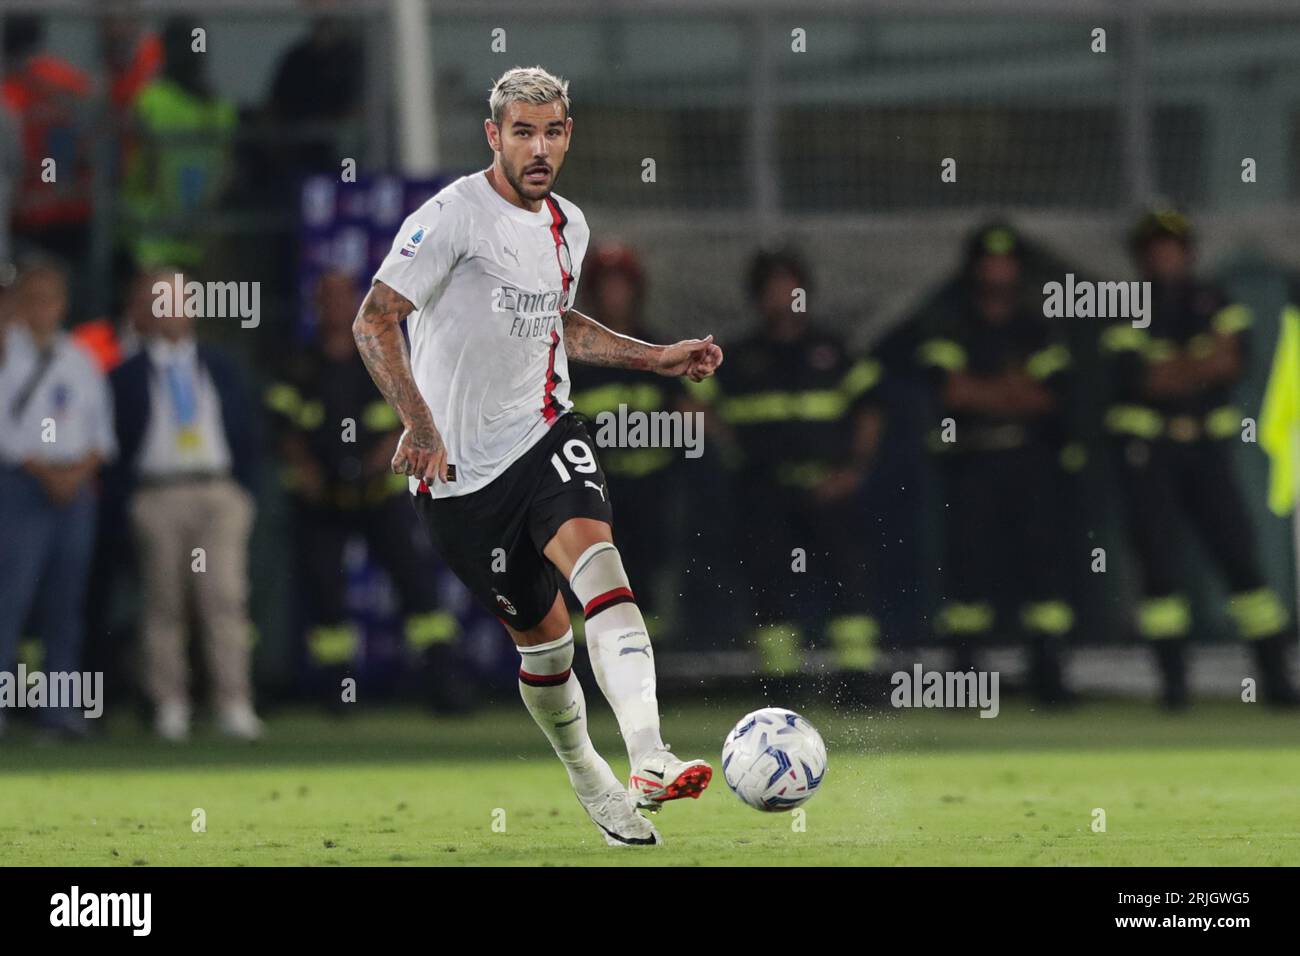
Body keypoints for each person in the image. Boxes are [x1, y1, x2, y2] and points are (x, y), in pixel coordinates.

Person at [353, 66, 722, 846]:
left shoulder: (570, 226)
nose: (539, 147)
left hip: (546, 434)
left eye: (552, 131)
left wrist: (655, 358)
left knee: (603, 573)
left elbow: (560, 324)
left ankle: (650, 755)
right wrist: (418, 423)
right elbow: (373, 320)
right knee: (546, 645)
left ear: (567, 134)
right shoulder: (452, 215)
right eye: (523, 131)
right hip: (458, 481)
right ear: (494, 135)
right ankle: (589, 772)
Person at [1102, 210, 1298, 708]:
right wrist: (1201, 361)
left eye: (1172, 246)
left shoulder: (1216, 298)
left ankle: (1275, 681)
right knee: (1160, 569)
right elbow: (1142, 380)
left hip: (1208, 453)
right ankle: (1173, 687)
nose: (1164, 255)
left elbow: (1232, 363)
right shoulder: (1126, 307)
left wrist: (1175, 364)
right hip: (1149, 454)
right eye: (1154, 247)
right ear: (1141, 255)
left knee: (1240, 561)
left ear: (1187, 251)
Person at [266, 270, 471, 707]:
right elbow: (282, 427)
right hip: (322, 498)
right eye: (328, 298)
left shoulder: (381, 356)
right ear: (316, 306)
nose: (336, 307)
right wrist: (303, 467)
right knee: (325, 596)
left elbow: (412, 412)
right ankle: (337, 692)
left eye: (344, 298)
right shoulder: (299, 363)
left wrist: (383, 457)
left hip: (379, 492)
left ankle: (443, 683)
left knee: (418, 588)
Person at [694, 245, 884, 679]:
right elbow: (691, 402)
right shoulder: (737, 356)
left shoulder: (833, 350)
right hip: (763, 488)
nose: (782, 295)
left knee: (848, 576)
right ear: (758, 295)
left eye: (790, 285)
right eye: (773, 287)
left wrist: (853, 470)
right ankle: (781, 681)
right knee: (769, 583)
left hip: (828, 485)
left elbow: (870, 409)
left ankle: (857, 676)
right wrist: (733, 444)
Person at [915, 223, 1076, 703]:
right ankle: (965, 683)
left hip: (1029, 461)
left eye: (1006, 261)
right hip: (970, 461)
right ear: (974, 267)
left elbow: (1050, 398)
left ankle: (1049, 678)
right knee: (967, 570)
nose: (998, 270)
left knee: (1041, 567)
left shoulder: (1037, 325)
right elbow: (950, 390)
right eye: (989, 260)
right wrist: (1012, 390)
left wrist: (986, 391)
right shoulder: (950, 322)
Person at [105, 270, 263, 740]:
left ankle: (234, 703)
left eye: (176, 300)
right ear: (138, 311)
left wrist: (243, 493)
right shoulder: (123, 375)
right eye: (155, 301)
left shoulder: (223, 366)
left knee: (225, 599)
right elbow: (113, 446)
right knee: (163, 603)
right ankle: (169, 704)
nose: (168, 310)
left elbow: (251, 435)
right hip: (157, 494)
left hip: (217, 492)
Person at [0, 260, 115, 738]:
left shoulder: (80, 357)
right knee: (11, 598)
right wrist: (44, 471)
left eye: (51, 298)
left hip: (76, 490)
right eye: (33, 298)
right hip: (22, 486)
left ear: (63, 304)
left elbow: (101, 434)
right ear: (20, 305)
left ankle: (60, 710)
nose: (43, 308)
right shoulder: (6, 354)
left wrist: (75, 474)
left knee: (65, 604)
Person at [567, 242, 684, 624]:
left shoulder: (658, 350)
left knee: (646, 575)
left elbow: (691, 416)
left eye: (622, 285)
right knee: (592, 576)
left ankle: (653, 663)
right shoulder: (573, 361)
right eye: (606, 285)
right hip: (594, 490)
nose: (615, 295)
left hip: (654, 488)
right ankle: (588, 664)